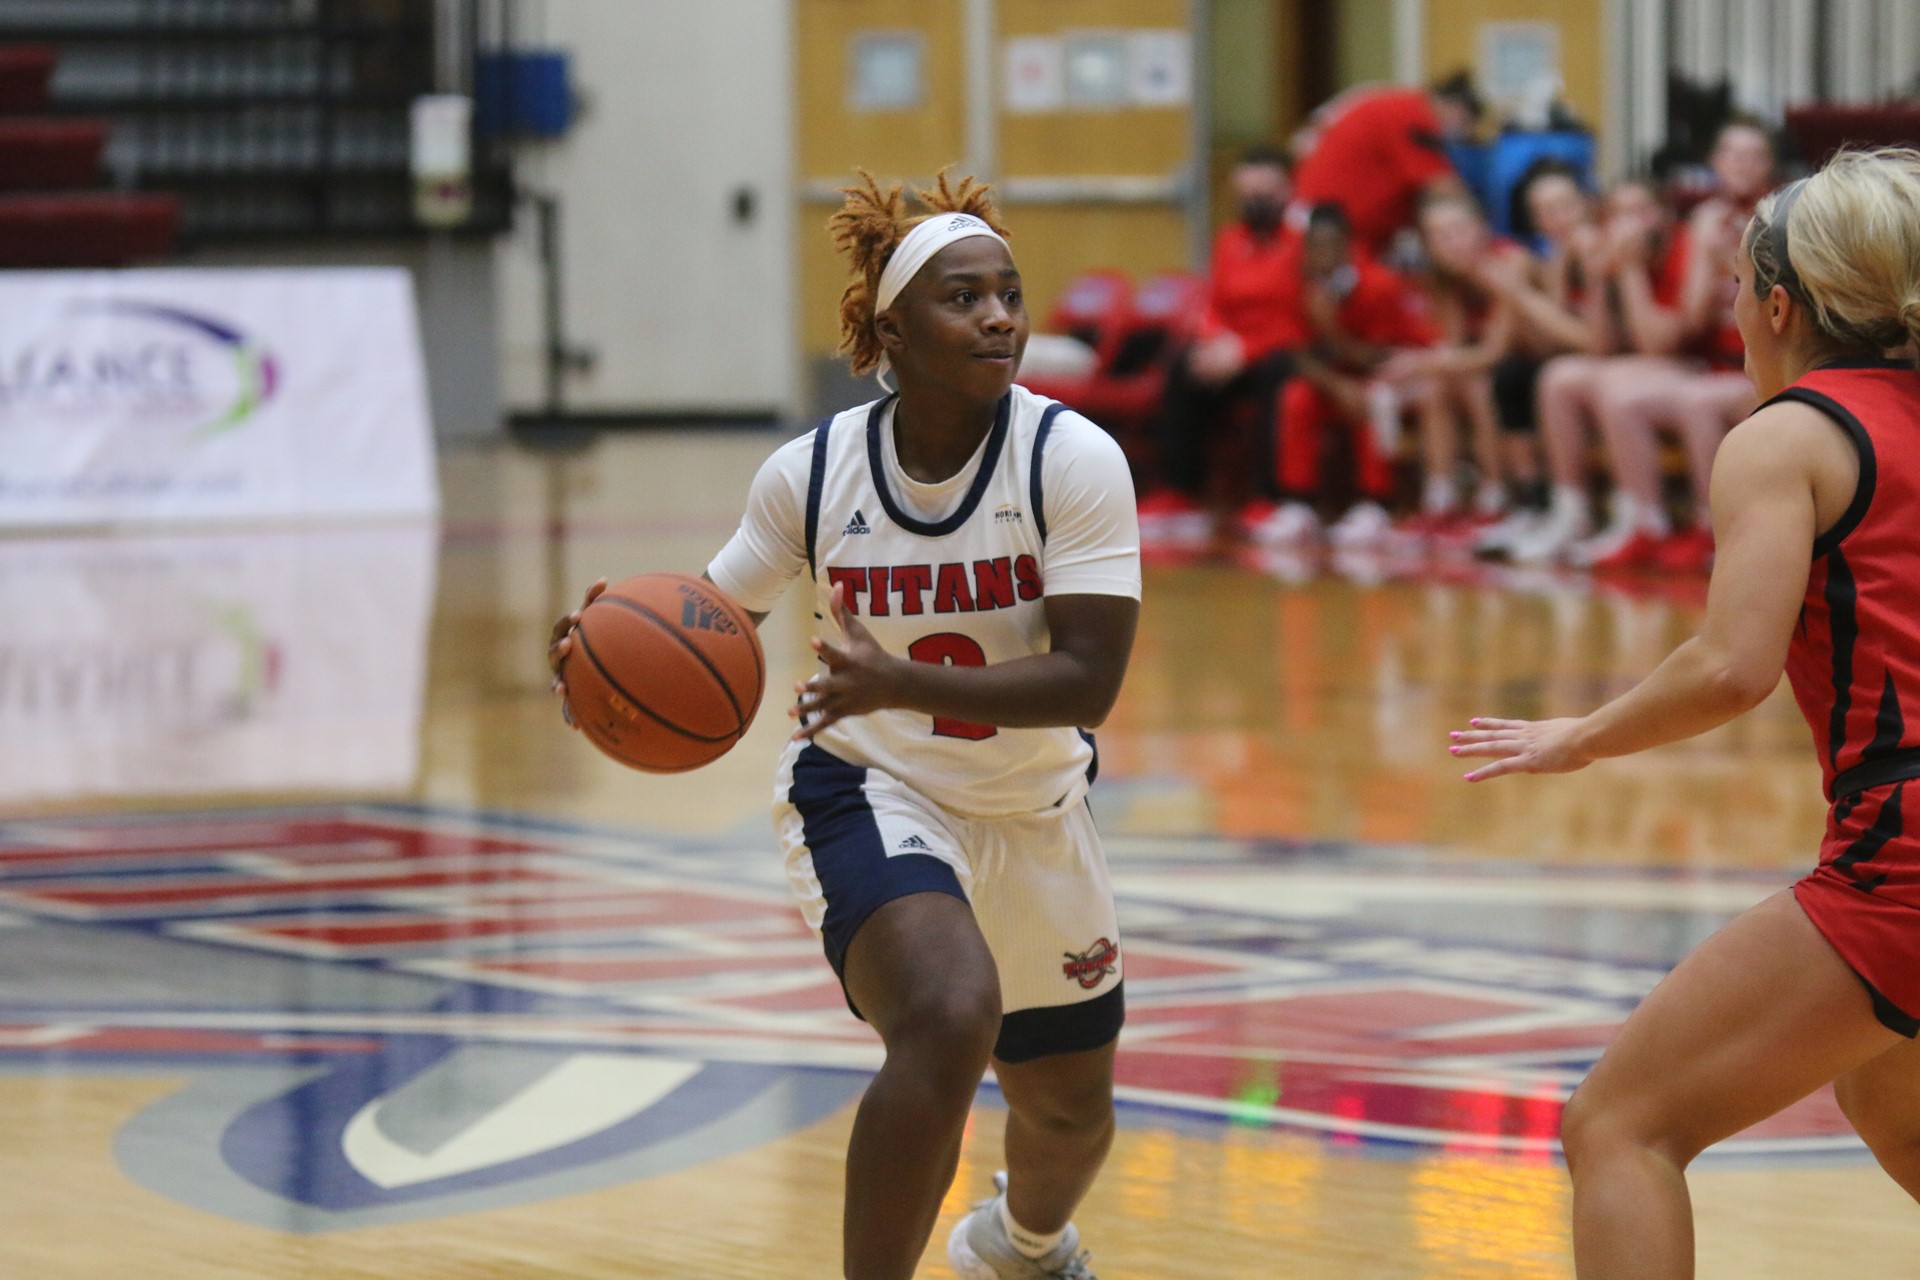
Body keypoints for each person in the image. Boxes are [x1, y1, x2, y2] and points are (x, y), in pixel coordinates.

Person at [549, 172, 1141, 1280]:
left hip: (1035, 808)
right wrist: (604, 656)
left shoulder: (1070, 458)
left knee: (1069, 1113)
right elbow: (715, 616)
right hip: (871, 788)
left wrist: (897, 676)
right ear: (891, 331)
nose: (1000, 317)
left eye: (1010, 294)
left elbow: (1089, 682)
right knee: (949, 1013)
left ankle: (1022, 1244)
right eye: (965, 298)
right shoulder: (814, 472)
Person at [1452, 147, 1920, 1279]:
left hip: (1903, 857)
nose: (1730, 312)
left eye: (1736, 288)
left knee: (1621, 1125)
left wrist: (1578, 735)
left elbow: (1728, 667)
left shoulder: (1789, 436)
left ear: (1780, 305)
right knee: (1891, 1101)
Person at [1573, 118, 1777, 571]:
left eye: (1753, 155)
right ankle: (1644, 523)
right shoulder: (1708, 220)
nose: (1742, 164)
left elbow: (1676, 337)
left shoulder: (1783, 217)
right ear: (1715, 163)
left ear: (1770, 165)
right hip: (1718, 363)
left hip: (1765, 368)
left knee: (1695, 400)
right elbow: (1694, 318)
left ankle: (1713, 530)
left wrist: (1731, 262)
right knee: (1621, 396)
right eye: (1732, 154)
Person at [1143, 144, 1300, 543]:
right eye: (1246, 195)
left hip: (1279, 353)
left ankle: (1270, 499)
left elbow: (1301, 320)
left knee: (1279, 374)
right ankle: (1180, 492)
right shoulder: (1230, 240)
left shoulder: (1303, 244)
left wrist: (1245, 350)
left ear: (1287, 191)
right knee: (1183, 366)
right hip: (1230, 353)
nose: (1255, 202)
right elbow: (1214, 303)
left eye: (1264, 193)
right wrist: (1214, 340)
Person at [1264, 201, 1442, 546]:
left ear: (1348, 247)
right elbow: (1295, 353)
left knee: (1372, 398)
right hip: (1337, 379)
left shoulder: (1379, 284)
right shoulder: (1295, 286)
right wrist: (1337, 386)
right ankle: (1299, 504)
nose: (1323, 255)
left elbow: (1380, 358)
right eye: (1314, 246)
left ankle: (1376, 504)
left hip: (1400, 373)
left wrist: (1331, 331)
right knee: (1296, 397)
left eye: (1331, 245)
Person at [1473, 161, 1613, 555]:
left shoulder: (1592, 248)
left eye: (1566, 206)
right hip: (1583, 361)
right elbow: (1551, 338)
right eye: (1546, 211)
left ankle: (1569, 509)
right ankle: (1534, 502)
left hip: (1623, 359)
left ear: (1587, 205)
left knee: (1547, 378)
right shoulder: (1556, 257)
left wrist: (1520, 296)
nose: (1559, 218)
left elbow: (1593, 342)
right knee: (1510, 375)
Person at [1378, 194, 1521, 529]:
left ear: (1482, 229)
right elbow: (1453, 347)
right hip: (1492, 369)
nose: (1452, 243)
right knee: (1437, 386)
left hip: (1527, 366)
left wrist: (1420, 363)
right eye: (1440, 236)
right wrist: (1427, 365)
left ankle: (1496, 495)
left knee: (1479, 387)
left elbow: (1495, 351)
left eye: (1459, 230)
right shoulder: (1445, 279)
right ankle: (1440, 497)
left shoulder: (1511, 263)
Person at [1289, 71, 1481, 257]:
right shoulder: (1411, 113)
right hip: (1331, 235)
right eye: (1462, 120)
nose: (1458, 129)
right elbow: (1441, 187)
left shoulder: (1393, 103)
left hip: (1345, 231)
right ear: (1453, 106)